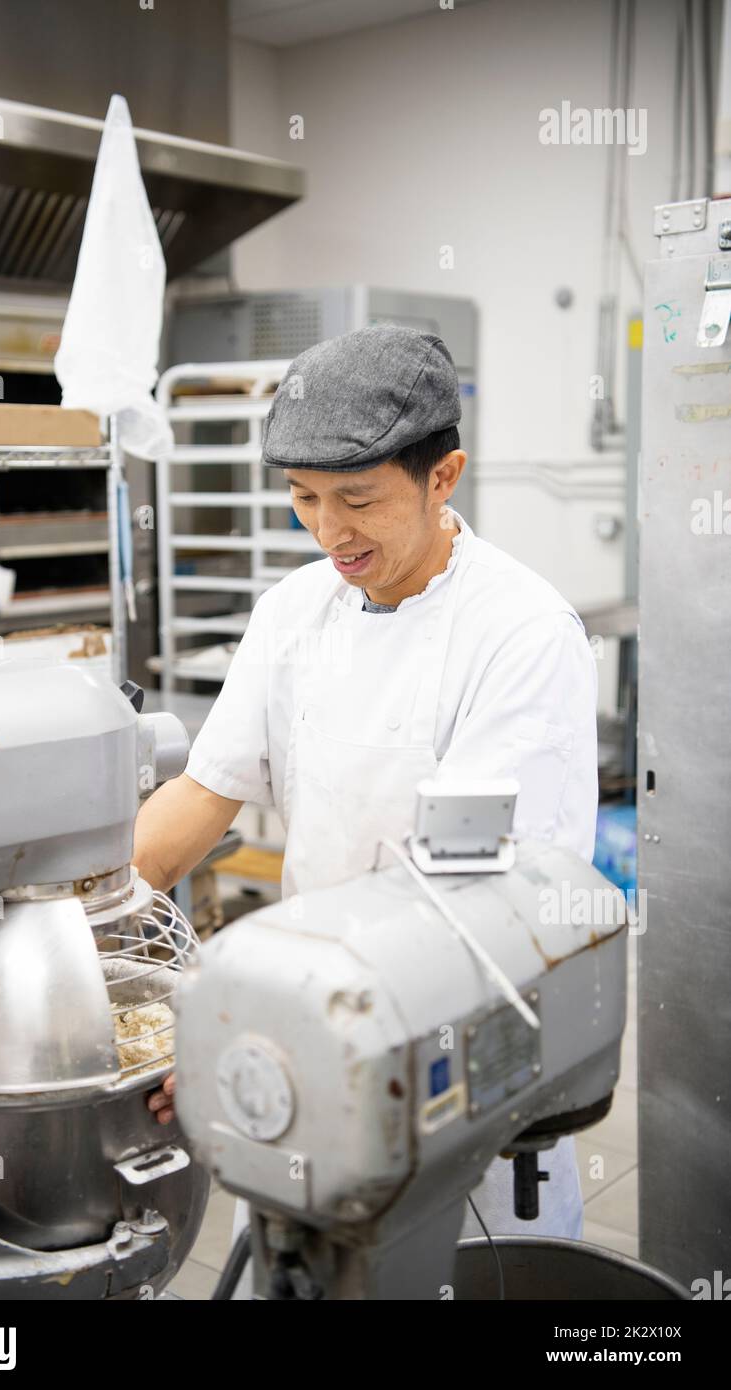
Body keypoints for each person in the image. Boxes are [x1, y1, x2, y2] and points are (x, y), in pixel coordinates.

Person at [134, 324, 597, 1294]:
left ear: (443, 477)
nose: (326, 530)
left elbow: (480, 913)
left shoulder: (519, 633)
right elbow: (197, 796)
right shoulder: (293, 612)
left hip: (456, 1065)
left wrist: (255, 1022)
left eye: (355, 499)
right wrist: (80, 929)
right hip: (311, 1056)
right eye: (302, 499)